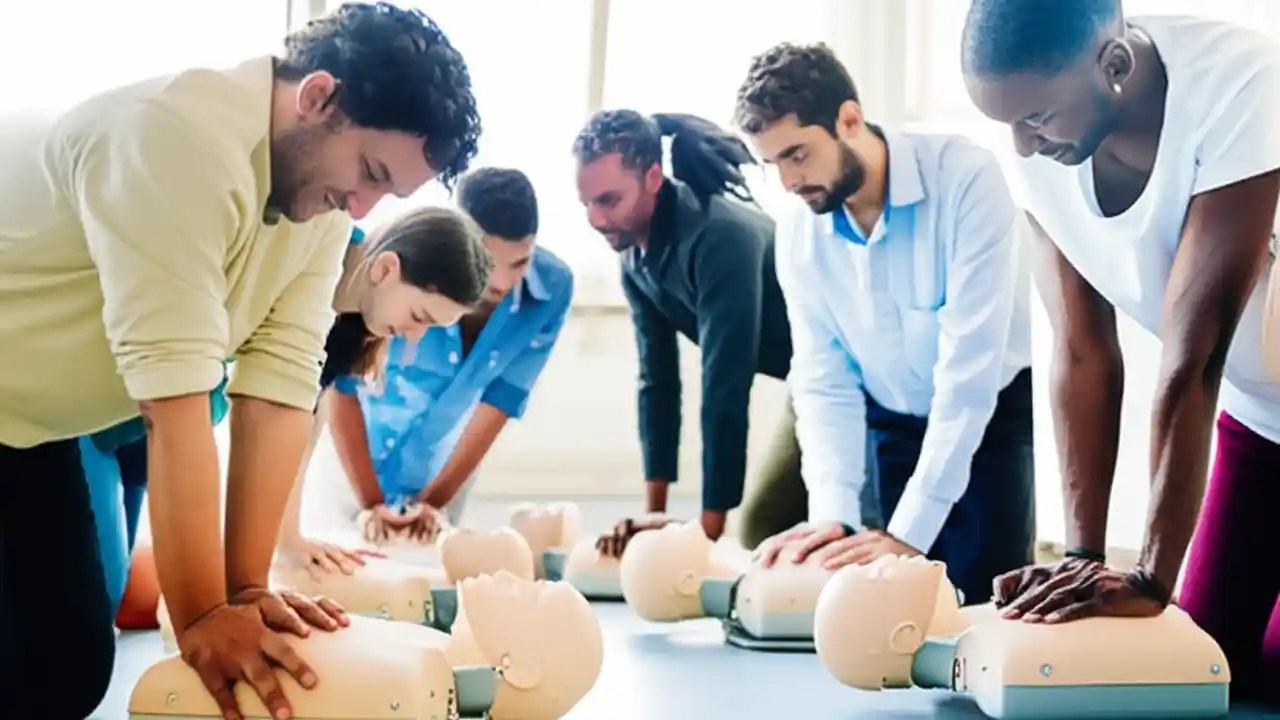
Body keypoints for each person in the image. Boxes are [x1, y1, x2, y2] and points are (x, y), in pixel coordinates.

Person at [0, 2, 481, 718]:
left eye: (388, 192)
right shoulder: (177, 137)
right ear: (317, 98)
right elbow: (175, 405)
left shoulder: (319, 209)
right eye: (370, 171)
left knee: (66, 669)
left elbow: (280, 390)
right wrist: (200, 619)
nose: (364, 203)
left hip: (29, 430)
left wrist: (247, 591)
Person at [961, 0, 1280, 704]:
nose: (1020, 146)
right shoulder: (1042, 144)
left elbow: (1194, 355)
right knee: (1208, 663)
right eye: (1005, 124)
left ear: (1114, 67)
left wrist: (1150, 575)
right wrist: (1083, 559)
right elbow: (1081, 352)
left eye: (1036, 119)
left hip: (1222, 379)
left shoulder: (1240, 81)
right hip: (1264, 421)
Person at [731, 42, 1036, 606]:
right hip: (888, 420)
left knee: (986, 604)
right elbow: (824, 380)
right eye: (774, 164)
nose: (789, 183)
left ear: (849, 119)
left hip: (989, 417)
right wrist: (832, 516)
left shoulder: (967, 180)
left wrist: (908, 533)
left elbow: (968, 375)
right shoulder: (799, 234)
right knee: (887, 606)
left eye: (797, 154)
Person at [289, 167, 573, 552]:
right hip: (353, 459)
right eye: (490, 264)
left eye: (520, 264)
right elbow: (341, 382)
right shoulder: (408, 270)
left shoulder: (552, 287)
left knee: (425, 583)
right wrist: (371, 503)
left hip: (439, 469)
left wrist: (433, 501)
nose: (503, 284)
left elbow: (501, 401)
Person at [573, 111, 806, 555]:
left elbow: (726, 386)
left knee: (766, 527)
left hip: (858, 377)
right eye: (586, 203)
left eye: (608, 200)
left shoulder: (719, 236)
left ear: (653, 177)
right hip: (810, 385)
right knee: (765, 531)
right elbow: (657, 384)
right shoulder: (633, 258)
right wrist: (655, 516)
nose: (597, 218)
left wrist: (704, 535)